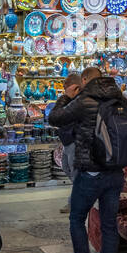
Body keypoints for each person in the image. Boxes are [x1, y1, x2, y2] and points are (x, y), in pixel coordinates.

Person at [48, 66, 127, 253]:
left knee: (77, 218)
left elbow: (54, 118)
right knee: (109, 225)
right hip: (116, 173)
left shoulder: (85, 99)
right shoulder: (120, 99)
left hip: (91, 172)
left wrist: (66, 96)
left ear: (84, 80)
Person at [55, 72, 82, 214]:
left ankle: (74, 203)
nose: (64, 89)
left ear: (74, 87)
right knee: (66, 168)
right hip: (67, 141)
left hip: (73, 141)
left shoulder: (80, 102)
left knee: (75, 172)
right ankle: (82, 192)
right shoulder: (70, 101)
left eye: (66, 86)